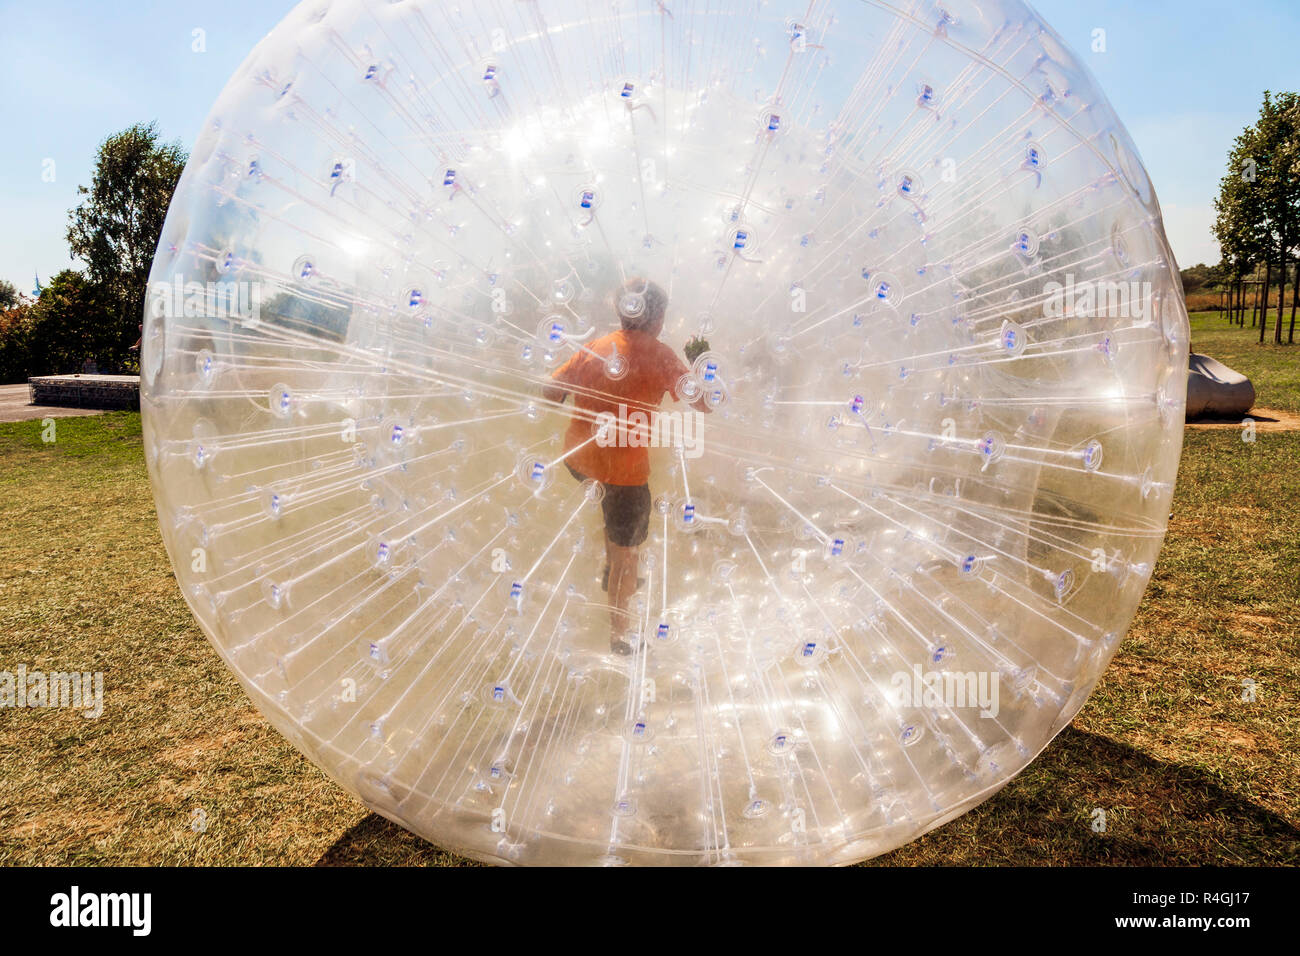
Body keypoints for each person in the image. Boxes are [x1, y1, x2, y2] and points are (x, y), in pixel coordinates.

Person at [542, 278, 711, 655]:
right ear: (657, 316)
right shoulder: (661, 356)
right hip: (624, 473)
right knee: (627, 553)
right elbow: (704, 403)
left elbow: (550, 392)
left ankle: (610, 570)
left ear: (624, 312)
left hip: (581, 459)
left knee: (609, 508)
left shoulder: (595, 348)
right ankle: (621, 636)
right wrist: (702, 364)